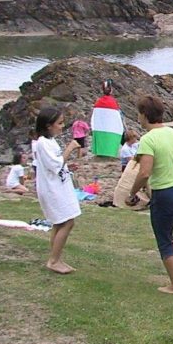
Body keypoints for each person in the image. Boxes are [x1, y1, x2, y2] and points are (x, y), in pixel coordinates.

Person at [127, 95, 173, 295]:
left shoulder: (147, 139)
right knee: (169, 233)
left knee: (163, 239)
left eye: (139, 114)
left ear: (144, 115)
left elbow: (144, 172)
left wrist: (132, 192)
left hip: (164, 193)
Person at [34, 107, 82, 274]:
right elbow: (54, 165)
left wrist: (68, 166)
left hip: (57, 186)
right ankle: (54, 260)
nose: (62, 126)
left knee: (60, 222)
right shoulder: (42, 143)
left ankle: (55, 258)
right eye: (59, 123)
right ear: (48, 125)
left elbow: (55, 164)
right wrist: (70, 149)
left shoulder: (49, 141)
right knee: (68, 222)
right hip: (52, 189)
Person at [91, 79, 124, 158]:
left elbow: (95, 116)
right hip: (111, 129)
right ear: (111, 90)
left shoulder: (98, 102)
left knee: (102, 138)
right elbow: (118, 117)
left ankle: (100, 152)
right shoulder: (113, 102)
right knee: (110, 139)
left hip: (100, 128)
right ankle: (110, 152)